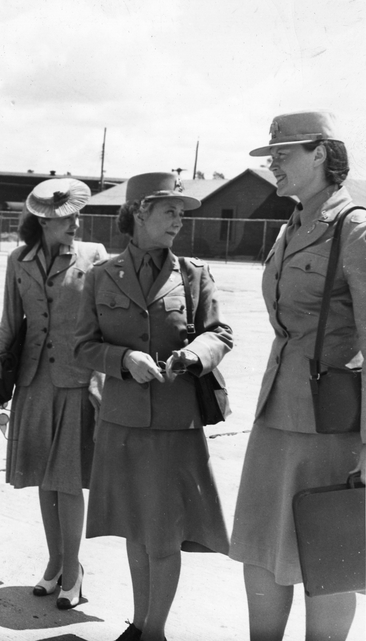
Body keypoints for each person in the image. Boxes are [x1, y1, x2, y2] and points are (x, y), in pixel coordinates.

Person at [74, 173, 233, 641]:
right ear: (139, 212)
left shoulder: (193, 274)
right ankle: (142, 624)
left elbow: (219, 333)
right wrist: (122, 359)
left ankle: (154, 633)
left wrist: (193, 355)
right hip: (121, 422)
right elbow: (82, 346)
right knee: (135, 530)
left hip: (172, 424)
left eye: (183, 214)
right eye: (170, 211)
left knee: (163, 536)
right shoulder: (102, 275)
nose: (179, 221)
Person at [229, 111, 365, 641]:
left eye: (282, 155)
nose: (273, 166)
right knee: (263, 547)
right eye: (270, 157)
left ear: (322, 155)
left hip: (329, 424)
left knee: (327, 557)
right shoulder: (292, 224)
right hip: (275, 413)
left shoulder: (353, 227)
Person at [0, 178, 106, 610]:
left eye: (77, 214)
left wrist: (104, 377)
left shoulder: (93, 256)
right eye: (66, 217)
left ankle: (74, 572)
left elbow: (105, 320)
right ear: (43, 220)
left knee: (69, 481)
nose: (76, 222)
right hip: (33, 381)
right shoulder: (19, 260)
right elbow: (9, 321)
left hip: (77, 381)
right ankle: (55, 564)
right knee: (43, 477)